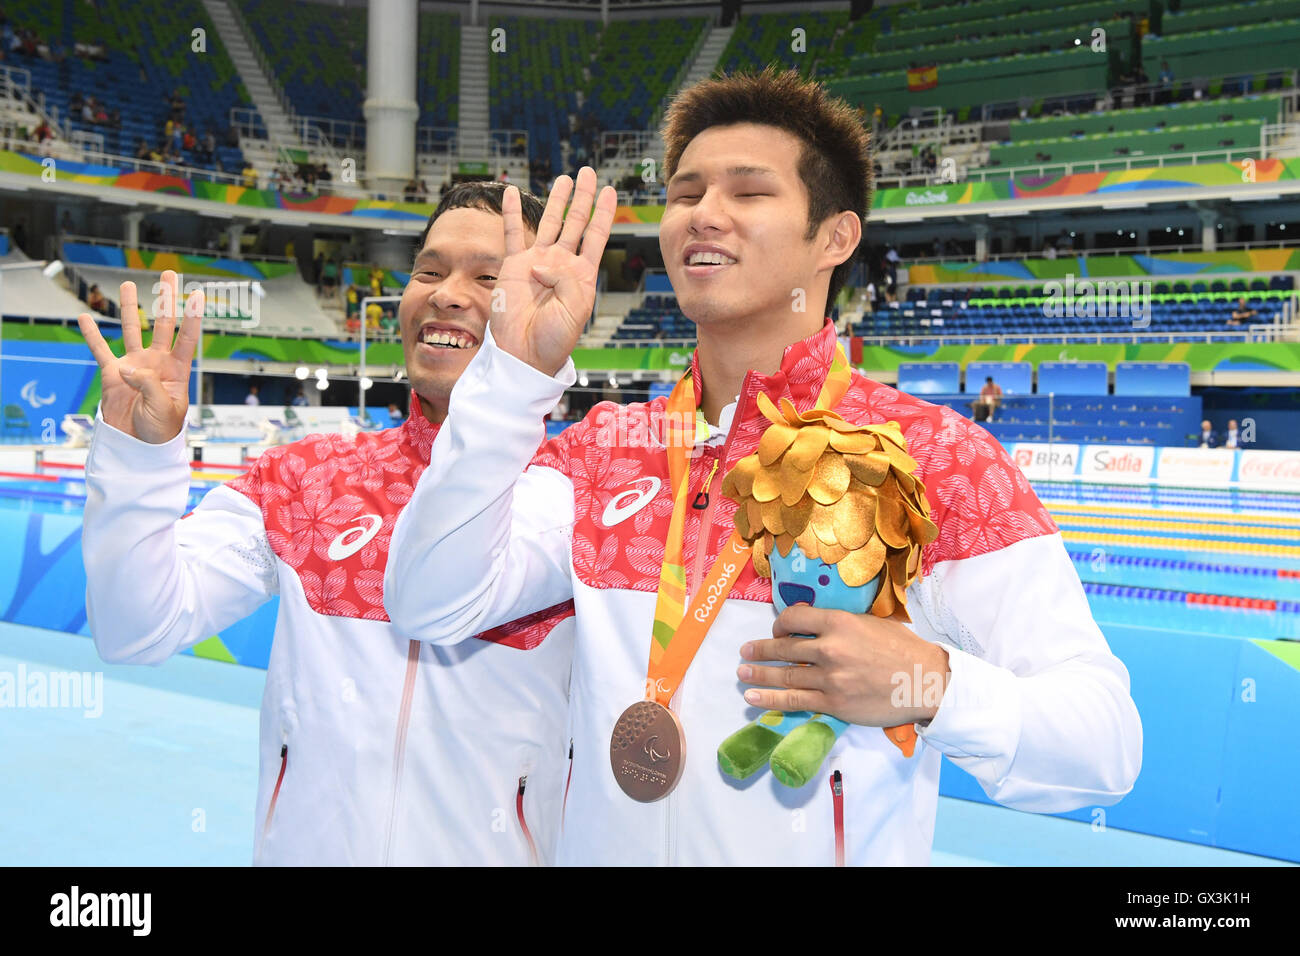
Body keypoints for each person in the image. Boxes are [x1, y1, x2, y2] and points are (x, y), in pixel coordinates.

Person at [385, 68, 1141, 866]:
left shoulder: (939, 459)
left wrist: (929, 686)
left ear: (835, 238)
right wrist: (514, 378)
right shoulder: (601, 453)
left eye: (748, 193)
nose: (703, 214)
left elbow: (1103, 744)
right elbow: (430, 602)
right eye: (685, 193)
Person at [76, 182, 575, 866]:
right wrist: (137, 457)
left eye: (489, 277)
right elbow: (137, 629)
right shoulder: (302, 480)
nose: (446, 293)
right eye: (428, 270)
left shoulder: (589, 490)